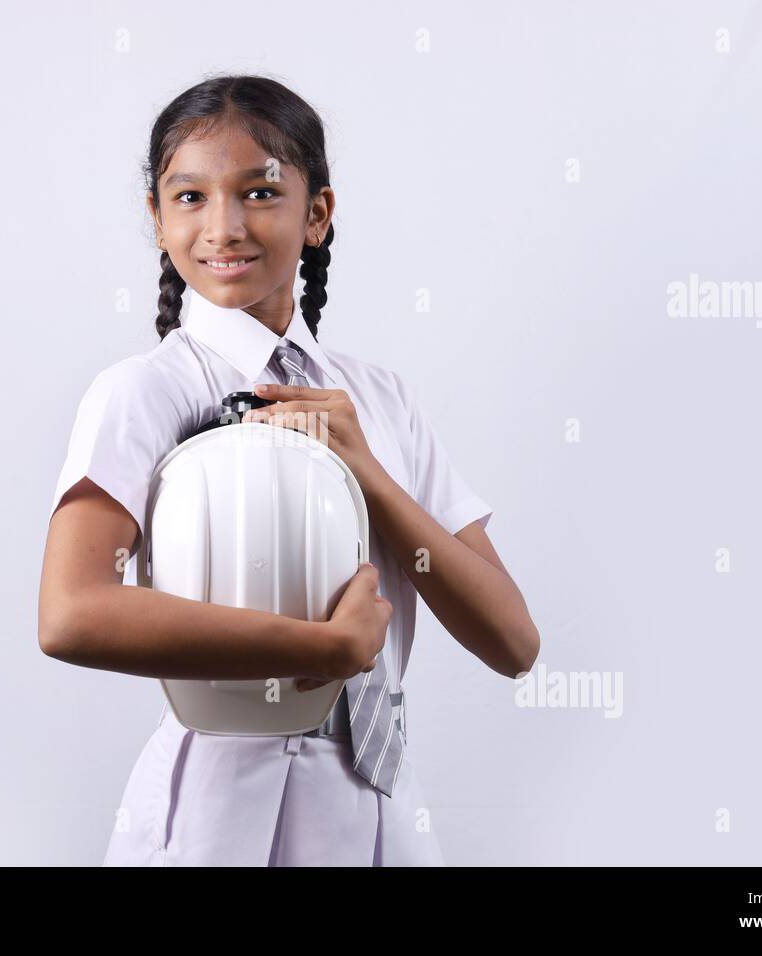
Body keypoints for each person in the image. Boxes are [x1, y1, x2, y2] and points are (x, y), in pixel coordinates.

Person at [37, 74, 540, 865]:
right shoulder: (147, 390)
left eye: (261, 192)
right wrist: (315, 651)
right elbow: (72, 613)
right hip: (218, 809)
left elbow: (514, 642)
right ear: (158, 220)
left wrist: (365, 471)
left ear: (318, 214)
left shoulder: (380, 399)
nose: (225, 226)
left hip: (381, 802)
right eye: (191, 197)